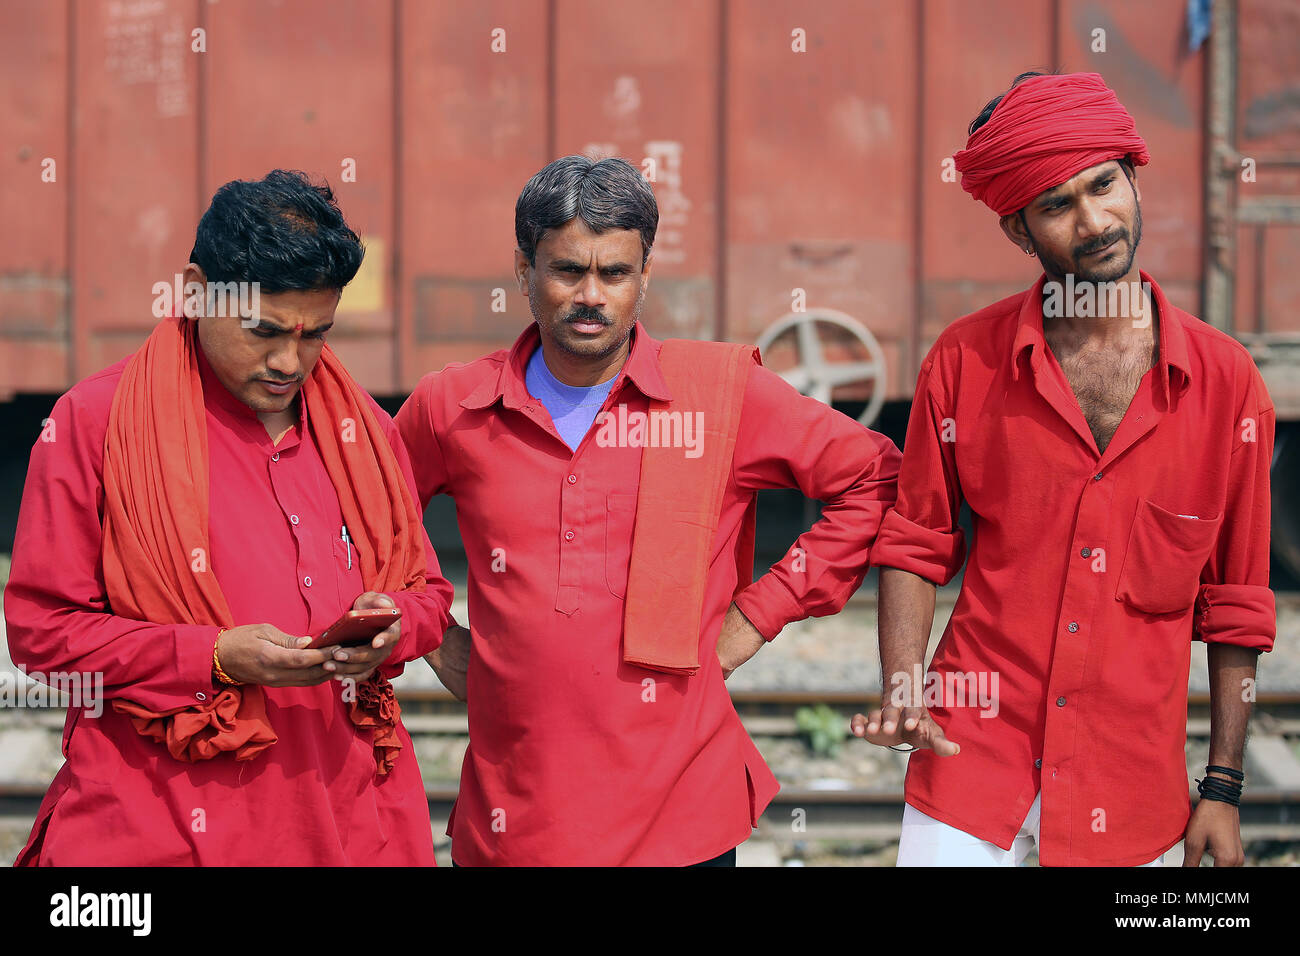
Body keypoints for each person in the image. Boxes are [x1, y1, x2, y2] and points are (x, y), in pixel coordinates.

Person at [397, 155, 901, 865]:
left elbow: (874, 478)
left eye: (616, 273)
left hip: (682, 818)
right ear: (524, 269)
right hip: (518, 818)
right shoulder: (453, 405)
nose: (592, 296)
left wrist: (755, 618)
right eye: (569, 270)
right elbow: (366, 515)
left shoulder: (717, 395)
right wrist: (434, 638)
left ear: (645, 275)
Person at [852, 72, 1275, 867]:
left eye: (1103, 185)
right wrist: (903, 685)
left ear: (1132, 176)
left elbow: (1237, 604)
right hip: (967, 766)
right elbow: (914, 542)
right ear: (1018, 230)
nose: (1094, 222)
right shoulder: (964, 361)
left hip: (1133, 792)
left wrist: (1220, 789)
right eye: (1056, 205)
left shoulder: (1226, 385)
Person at [6, 169, 456, 865]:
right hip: (162, 831)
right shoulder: (97, 425)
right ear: (193, 291)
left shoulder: (362, 427)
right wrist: (211, 657)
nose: (288, 361)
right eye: (263, 331)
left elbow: (429, 595)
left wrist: (391, 628)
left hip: (348, 827)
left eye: (315, 336)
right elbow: (43, 637)